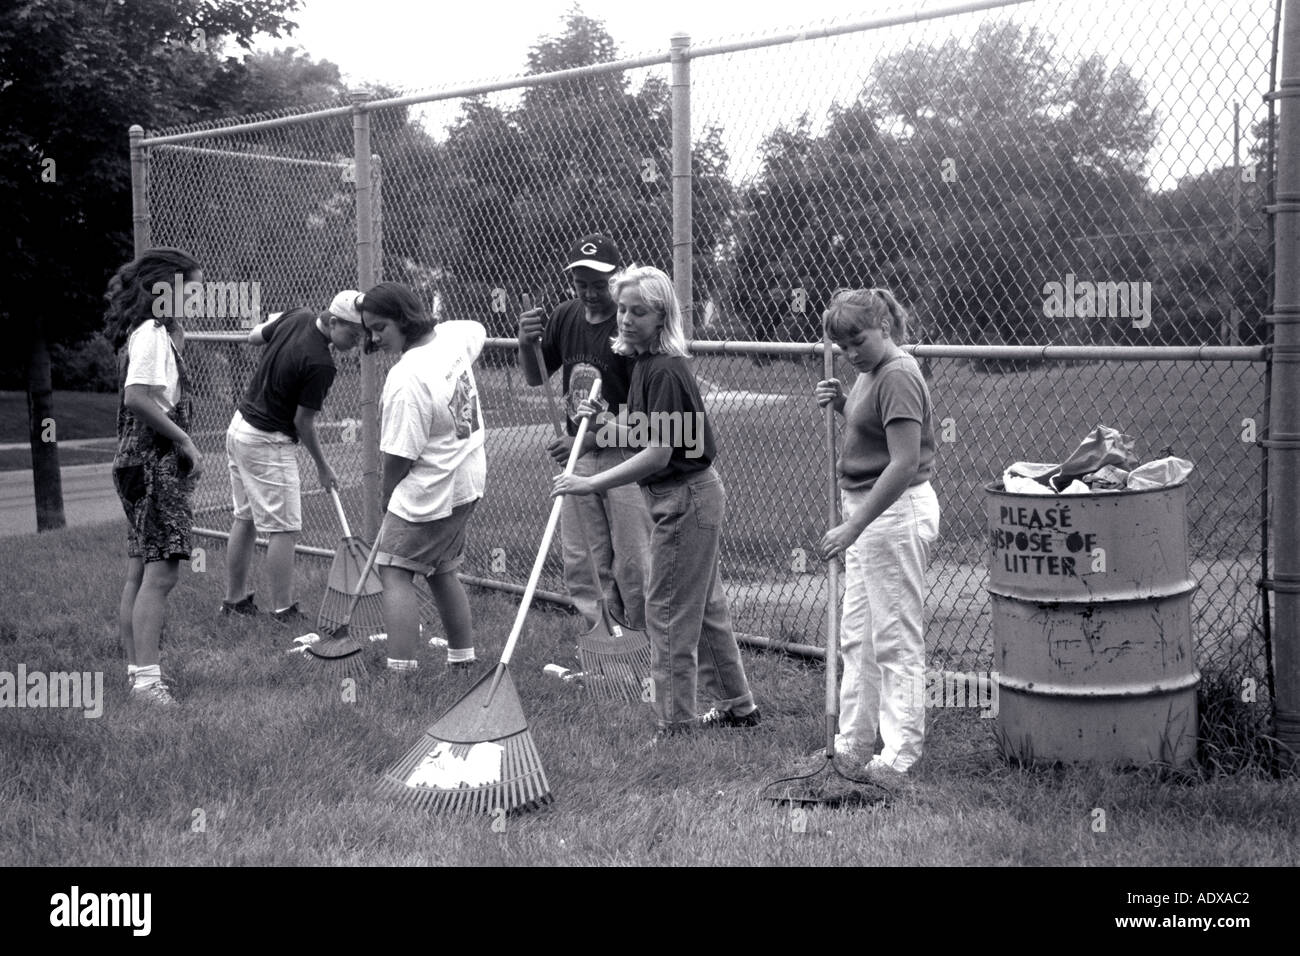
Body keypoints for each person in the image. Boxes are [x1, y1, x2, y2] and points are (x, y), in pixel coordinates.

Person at [552, 265, 759, 742]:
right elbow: (659, 434)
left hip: (685, 498)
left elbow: (659, 454)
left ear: (662, 316)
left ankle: (675, 724)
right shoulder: (646, 364)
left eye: (638, 312)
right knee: (703, 610)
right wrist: (604, 424)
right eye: (622, 309)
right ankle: (738, 707)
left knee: (665, 613)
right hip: (686, 495)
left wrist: (591, 482)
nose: (625, 319)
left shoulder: (664, 369)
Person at [813, 288, 940, 785]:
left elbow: (904, 462)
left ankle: (899, 753)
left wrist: (853, 525)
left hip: (892, 514)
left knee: (893, 637)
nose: (850, 354)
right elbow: (873, 434)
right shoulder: (870, 373)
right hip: (868, 514)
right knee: (857, 636)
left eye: (857, 341)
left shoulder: (900, 375)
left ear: (885, 327)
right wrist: (845, 404)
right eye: (841, 346)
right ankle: (853, 741)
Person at [517, 234, 651, 633]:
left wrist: (588, 438)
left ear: (617, 278)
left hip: (625, 454)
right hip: (579, 456)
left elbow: (645, 419)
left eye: (599, 283)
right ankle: (607, 642)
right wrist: (527, 343)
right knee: (584, 561)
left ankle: (646, 642)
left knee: (633, 560)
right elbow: (535, 375)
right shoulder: (565, 315)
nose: (591, 293)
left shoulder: (629, 323)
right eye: (582, 284)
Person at [221, 291, 366, 626]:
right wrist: (322, 465)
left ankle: (234, 601)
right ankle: (284, 611)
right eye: (353, 335)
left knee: (245, 518)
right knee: (284, 529)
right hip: (267, 440)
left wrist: (277, 331)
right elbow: (303, 422)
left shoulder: (298, 315)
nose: (357, 343)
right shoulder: (321, 364)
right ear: (332, 322)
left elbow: (254, 336)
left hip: (239, 428)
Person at [364, 282, 485, 672]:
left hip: (431, 491)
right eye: (369, 329)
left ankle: (401, 672)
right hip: (467, 482)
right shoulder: (450, 339)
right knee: (442, 568)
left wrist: (387, 495)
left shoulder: (406, 377)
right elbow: (477, 331)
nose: (374, 337)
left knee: (395, 569)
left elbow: (399, 455)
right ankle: (462, 660)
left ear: (404, 319)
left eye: (381, 327)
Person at [105, 247, 205, 706]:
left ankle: (136, 673)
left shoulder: (153, 333)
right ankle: (148, 684)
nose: (196, 295)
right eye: (190, 287)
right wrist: (184, 441)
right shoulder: (149, 334)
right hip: (152, 465)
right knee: (161, 574)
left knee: (139, 572)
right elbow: (138, 399)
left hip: (136, 463)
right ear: (162, 289)